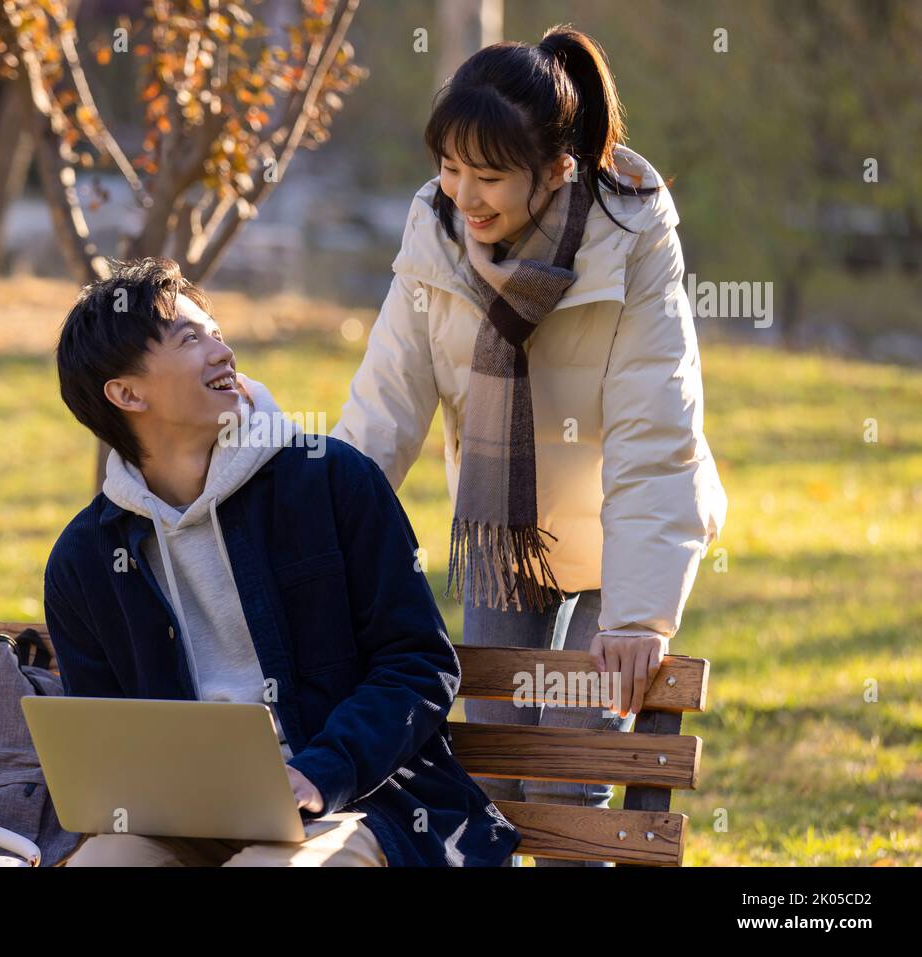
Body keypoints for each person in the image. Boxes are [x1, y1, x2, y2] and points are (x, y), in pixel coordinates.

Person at [330, 25, 728, 866]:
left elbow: (656, 427)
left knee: (564, 771)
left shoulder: (633, 237)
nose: (463, 196)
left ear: (555, 170)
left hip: (619, 534)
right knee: (500, 774)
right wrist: (316, 544)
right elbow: (382, 409)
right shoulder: (434, 233)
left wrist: (635, 614)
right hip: (506, 534)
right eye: (449, 167)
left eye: (489, 177)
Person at [44, 257, 522, 867]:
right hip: (187, 816)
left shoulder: (332, 481)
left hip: (365, 799)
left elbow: (418, 665)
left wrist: (320, 773)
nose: (222, 351)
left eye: (216, 333)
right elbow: (103, 736)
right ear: (126, 393)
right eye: (190, 339)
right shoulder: (85, 559)